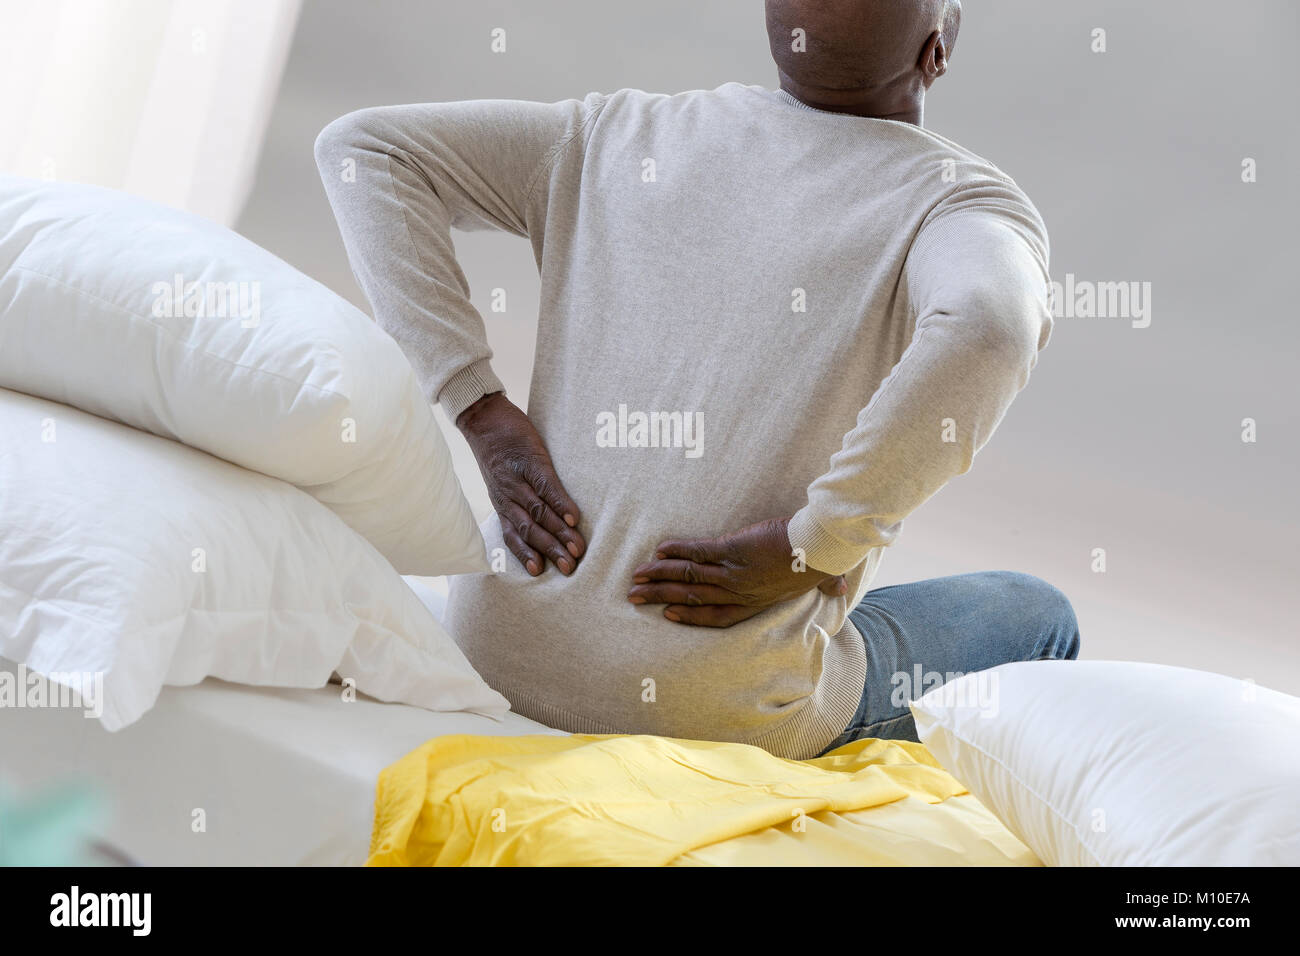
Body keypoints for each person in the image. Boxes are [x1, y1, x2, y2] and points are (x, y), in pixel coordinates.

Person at [314, 0, 1079, 760]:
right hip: (720, 706)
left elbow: (363, 149)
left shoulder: (615, 134)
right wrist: (809, 549)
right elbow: (993, 323)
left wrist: (479, 410)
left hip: (498, 646)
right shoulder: (953, 201)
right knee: (1040, 615)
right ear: (937, 49)